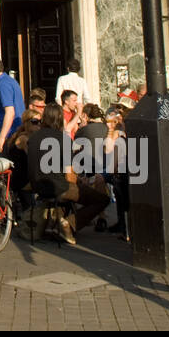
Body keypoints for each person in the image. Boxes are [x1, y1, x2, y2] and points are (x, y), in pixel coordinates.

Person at [26, 102, 110, 244]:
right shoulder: (63, 139)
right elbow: (69, 174)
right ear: (60, 119)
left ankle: (58, 224)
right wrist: (79, 183)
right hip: (58, 186)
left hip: (36, 185)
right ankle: (69, 224)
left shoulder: (33, 137)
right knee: (102, 199)